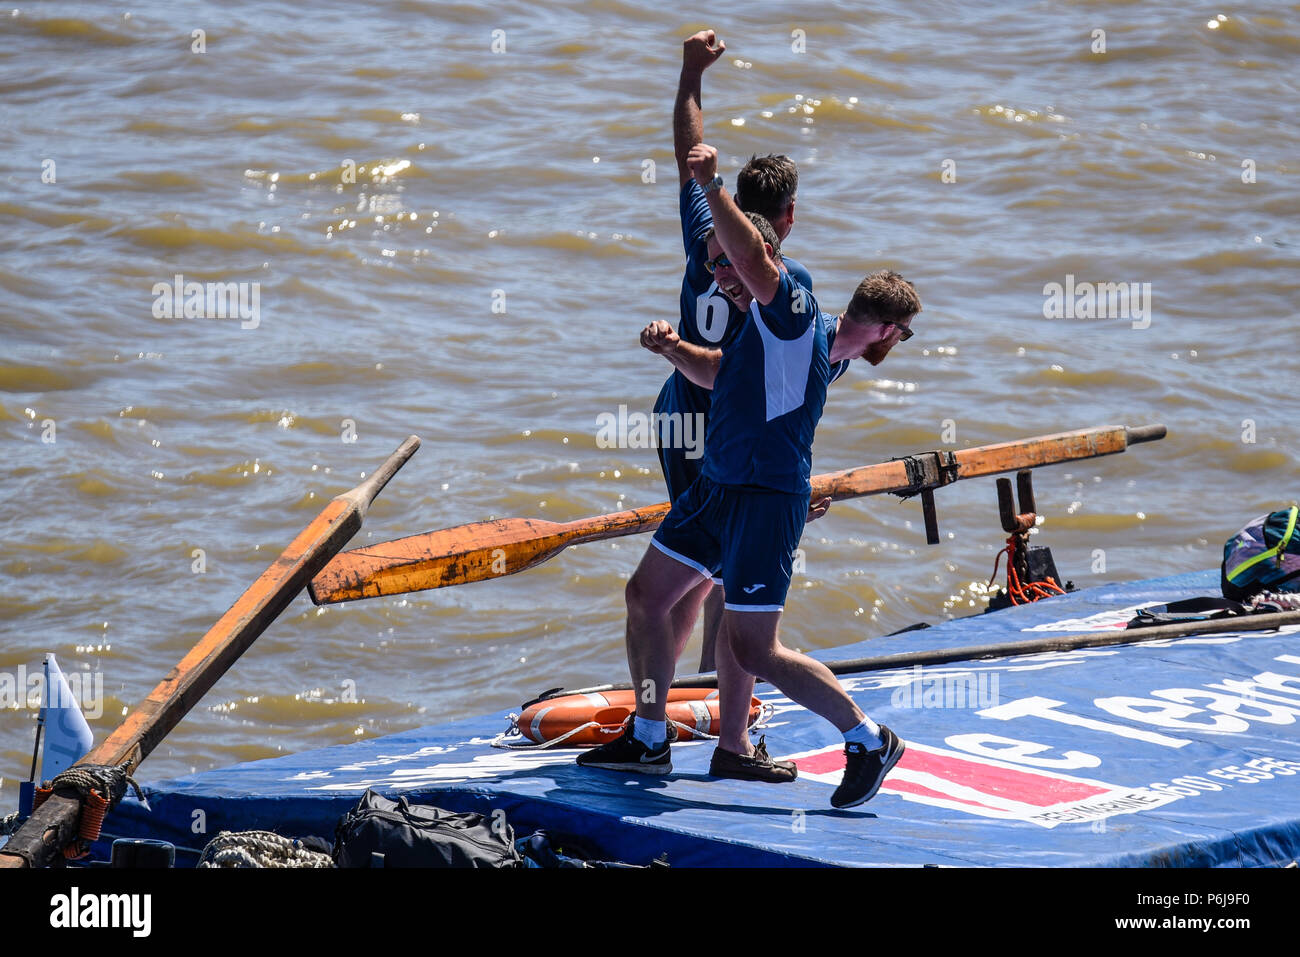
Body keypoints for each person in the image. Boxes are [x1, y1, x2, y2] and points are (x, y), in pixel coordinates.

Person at [580, 140, 921, 809]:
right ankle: (650, 735)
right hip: (717, 489)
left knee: (754, 647)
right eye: (714, 269)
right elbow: (721, 375)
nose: (721, 279)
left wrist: (709, 185)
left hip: (765, 500)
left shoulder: (791, 309)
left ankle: (869, 737)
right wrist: (673, 347)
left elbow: (754, 262)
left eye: (727, 267)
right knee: (646, 597)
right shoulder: (752, 323)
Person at [659, 30, 826, 677]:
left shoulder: (704, 228)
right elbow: (805, 379)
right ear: (786, 217)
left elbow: (686, 155)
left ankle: (669, 697)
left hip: (678, 416)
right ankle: (708, 693)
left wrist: (691, 74)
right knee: (726, 570)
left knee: (686, 566)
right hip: (735, 435)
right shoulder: (792, 284)